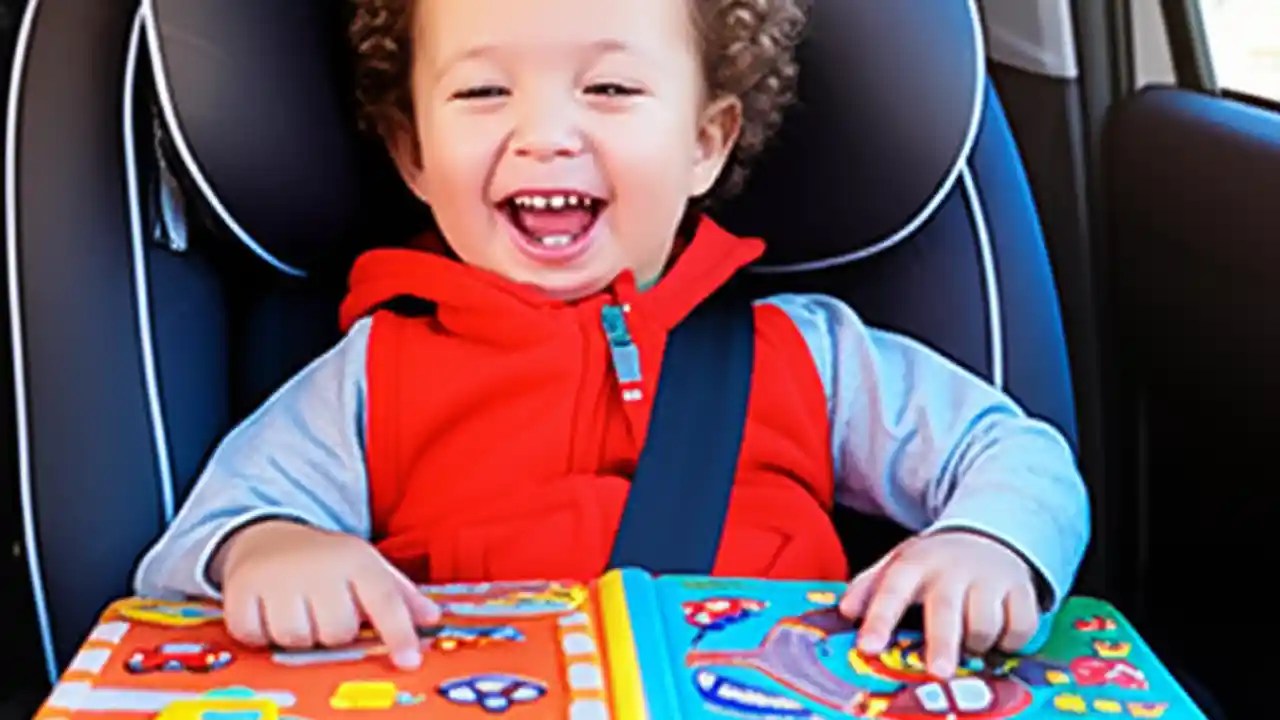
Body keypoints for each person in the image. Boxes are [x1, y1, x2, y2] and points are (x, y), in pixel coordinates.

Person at [133, 0, 1090, 680]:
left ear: (706, 142)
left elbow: (1015, 454)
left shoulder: (808, 355)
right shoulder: (372, 373)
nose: (547, 132)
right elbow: (198, 545)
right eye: (481, 94)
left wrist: (986, 542)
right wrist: (271, 550)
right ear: (413, 153)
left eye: (612, 86)